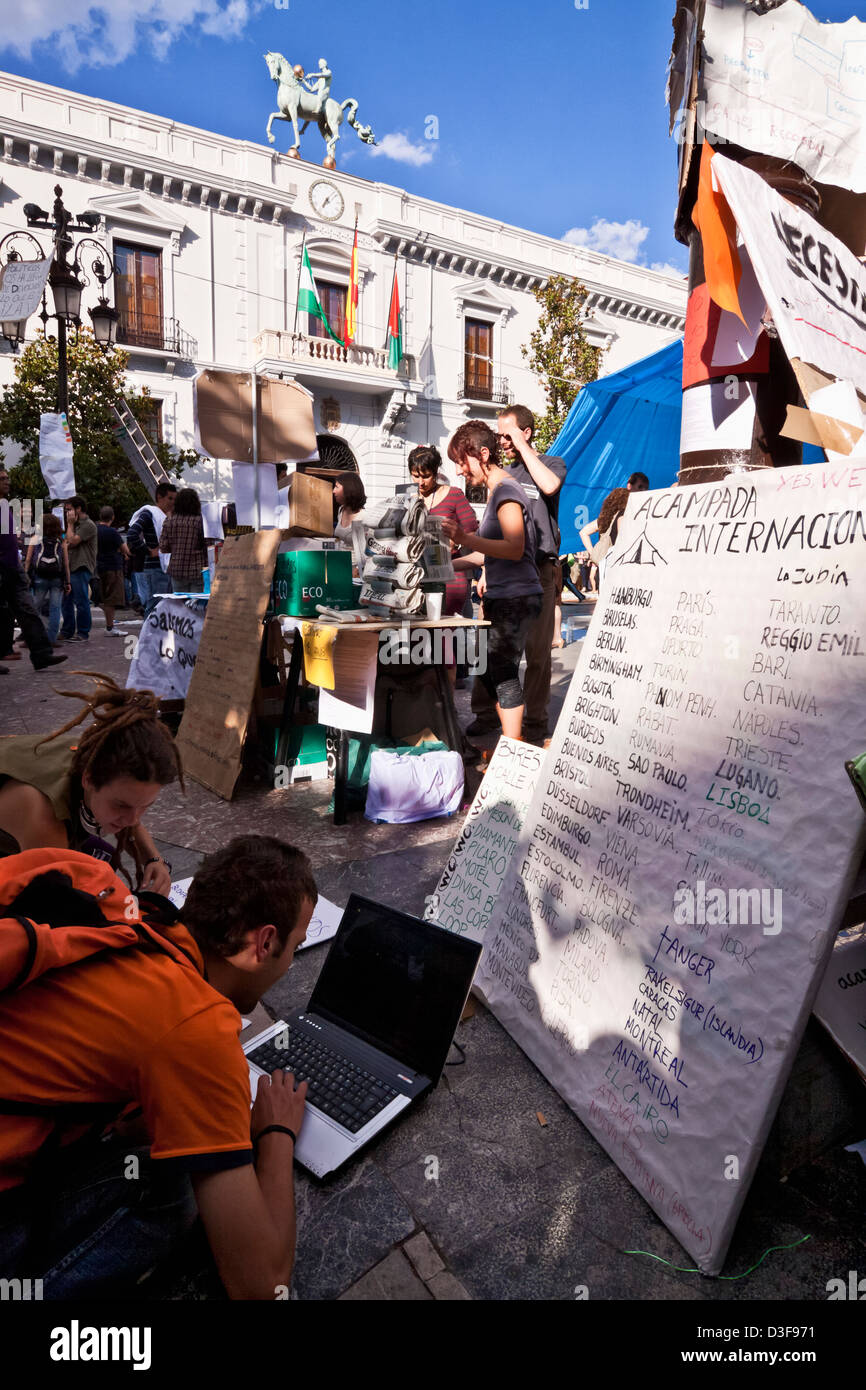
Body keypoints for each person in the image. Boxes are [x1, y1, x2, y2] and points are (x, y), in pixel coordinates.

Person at [0, 833, 316, 1300]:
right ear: (264, 943)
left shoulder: (123, 909)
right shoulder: (194, 1025)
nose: (290, 963)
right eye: (295, 946)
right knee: (165, 1186)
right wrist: (276, 1133)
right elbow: (262, 1286)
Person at [0, 674, 180, 894]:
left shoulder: (98, 752)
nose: (133, 819)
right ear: (88, 779)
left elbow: (129, 811)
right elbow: (57, 906)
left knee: (103, 864)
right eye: (121, 805)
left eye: (145, 806)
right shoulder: (45, 818)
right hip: (27, 832)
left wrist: (153, 859)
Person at [466, 406, 566, 744]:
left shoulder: (551, 464)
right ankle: (485, 715)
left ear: (527, 433)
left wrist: (523, 448)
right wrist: (485, 569)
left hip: (540, 570)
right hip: (503, 572)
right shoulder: (503, 474)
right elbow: (493, 529)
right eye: (499, 436)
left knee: (537, 654)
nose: (502, 441)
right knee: (491, 651)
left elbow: (549, 486)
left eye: (507, 434)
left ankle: (535, 725)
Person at [441, 421, 542, 741]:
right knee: (492, 669)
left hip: (516, 597)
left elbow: (514, 547)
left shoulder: (507, 490)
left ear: (483, 454)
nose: (459, 470)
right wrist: (444, 567)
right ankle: (510, 743)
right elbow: (489, 554)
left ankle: (513, 747)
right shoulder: (498, 492)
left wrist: (464, 537)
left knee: (503, 671)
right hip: (505, 596)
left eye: (462, 461)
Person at [0, 468, 66, 673]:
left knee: (28, 610)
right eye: (2, 479)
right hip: (2, 569)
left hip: (13, 568)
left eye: (7, 478)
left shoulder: (4, 505)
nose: (7, 481)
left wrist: (20, 566)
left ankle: (42, 654)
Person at [408, 445, 479, 618]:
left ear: (436, 473)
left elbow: (473, 532)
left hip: (451, 572)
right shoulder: (408, 497)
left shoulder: (454, 495)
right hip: (416, 573)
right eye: (415, 476)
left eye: (426, 476)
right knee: (418, 627)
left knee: (447, 627)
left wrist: (457, 541)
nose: (420, 482)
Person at [128, 482, 176, 617]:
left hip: (164, 568)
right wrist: (149, 551)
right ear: (160, 497)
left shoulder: (164, 516)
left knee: (162, 609)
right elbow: (132, 534)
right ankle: (148, 631)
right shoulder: (150, 514)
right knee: (155, 609)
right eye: (170, 498)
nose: (172, 502)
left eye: (174, 499)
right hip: (155, 569)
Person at [25, 513, 70, 645]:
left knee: (35, 608)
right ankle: (51, 639)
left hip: (40, 577)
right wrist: (68, 582)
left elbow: (28, 560)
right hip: (57, 579)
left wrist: (26, 576)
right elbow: (66, 563)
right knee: (55, 609)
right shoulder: (61, 541)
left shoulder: (35, 539)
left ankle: (33, 638)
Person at [59, 496, 97, 642]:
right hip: (69, 567)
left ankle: (83, 632)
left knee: (81, 601)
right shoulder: (74, 525)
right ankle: (67, 630)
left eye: (69, 509)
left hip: (81, 566)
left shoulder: (88, 525)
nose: (67, 513)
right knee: (66, 601)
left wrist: (69, 525)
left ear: (78, 509)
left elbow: (72, 541)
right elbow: (65, 543)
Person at [580, 486, 630, 590]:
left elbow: (583, 532)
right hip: (617, 564)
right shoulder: (623, 517)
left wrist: (593, 553)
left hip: (603, 564)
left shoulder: (603, 519)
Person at [159, 487, 208, 594]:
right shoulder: (200, 521)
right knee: (196, 603)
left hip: (176, 571)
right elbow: (208, 546)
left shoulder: (169, 521)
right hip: (197, 571)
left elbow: (163, 548)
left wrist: (177, 547)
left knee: (179, 603)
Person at [96, 505, 129, 635]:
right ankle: (110, 627)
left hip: (98, 566)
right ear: (112, 517)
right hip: (113, 567)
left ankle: (109, 623)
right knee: (112, 598)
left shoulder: (95, 530)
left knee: (103, 597)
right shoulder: (113, 532)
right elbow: (125, 549)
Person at [333, 471, 368, 579]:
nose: (333, 491)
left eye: (337, 487)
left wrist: (358, 569)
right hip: (340, 567)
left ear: (348, 489)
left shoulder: (363, 517)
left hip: (355, 572)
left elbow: (369, 550)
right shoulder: (341, 511)